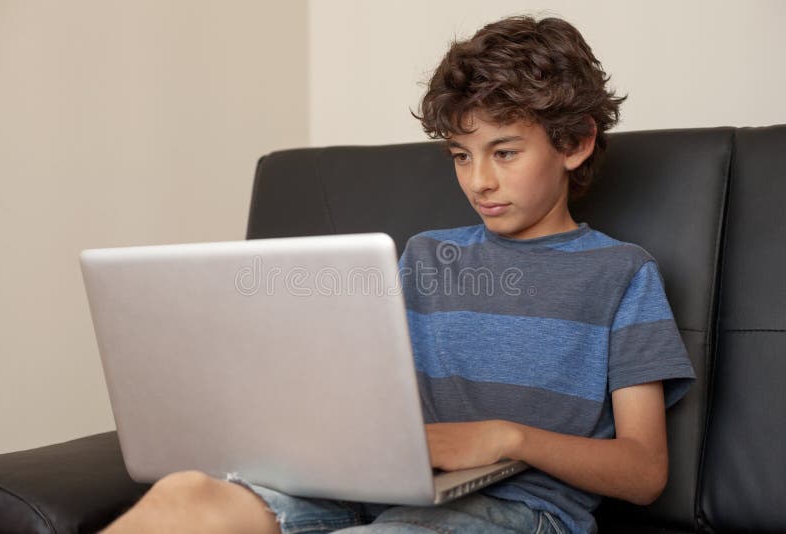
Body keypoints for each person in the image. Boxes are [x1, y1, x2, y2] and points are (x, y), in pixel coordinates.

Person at [102, 14, 695, 534]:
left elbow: (644, 473)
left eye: (504, 152)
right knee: (187, 495)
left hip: (521, 511)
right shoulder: (426, 256)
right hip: (380, 492)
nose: (478, 181)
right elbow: (362, 394)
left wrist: (506, 438)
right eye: (461, 155)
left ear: (575, 143)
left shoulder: (621, 273)